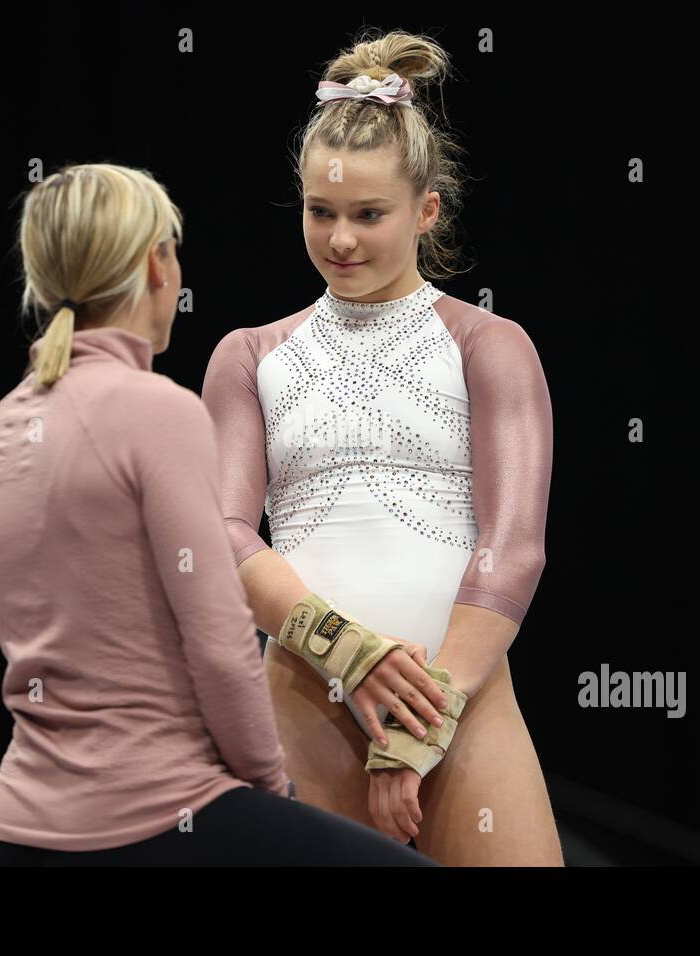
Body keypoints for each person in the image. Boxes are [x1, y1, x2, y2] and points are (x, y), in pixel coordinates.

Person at [0, 163, 436, 866]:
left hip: (18, 835)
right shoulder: (157, 411)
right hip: (154, 819)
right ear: (157, 265)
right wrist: (274, 797)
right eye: (173, 254)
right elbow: (219, 645)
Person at [201, 30, 565, 865]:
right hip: (306, 703)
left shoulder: (489, 344)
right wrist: (350, 655)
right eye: (319, 212)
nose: (340, 240)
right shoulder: (250, 355)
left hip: (459, 701)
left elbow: (512, 548)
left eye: (369, 215)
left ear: (427, 209)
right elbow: (223, 537)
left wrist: (421, 722)